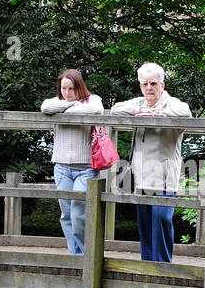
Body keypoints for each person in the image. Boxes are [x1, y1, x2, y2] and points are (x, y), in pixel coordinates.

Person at [109, 62, 191, 262]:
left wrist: (155, 115)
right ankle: (147, 267)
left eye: (153, 83)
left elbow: (186, 113)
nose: (149, 88)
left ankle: (163, 268)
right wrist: (139, 113)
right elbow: (115, 110)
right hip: (141, 176)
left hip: (163, 178)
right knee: (145, 226)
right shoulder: (139, 103)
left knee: (162, 220)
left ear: (162, 85)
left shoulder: (171, 104)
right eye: (144, 84)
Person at [41, 70, 104, 255]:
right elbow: (45, 107)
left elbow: (97, 110)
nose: (67, 93)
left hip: (85, 168)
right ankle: (74, 255)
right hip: (61, 167)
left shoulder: (92, 100)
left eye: (71, 88)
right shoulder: (55, 102)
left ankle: (86, 256)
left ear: (79, 87)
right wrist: (66, 105)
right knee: (66, 214)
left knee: (79, 214)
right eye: (64, 88)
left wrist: (69, 107)